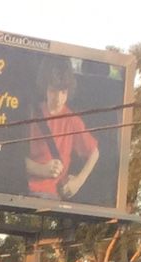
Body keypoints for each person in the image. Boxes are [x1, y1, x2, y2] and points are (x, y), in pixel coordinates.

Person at [24, 55, 100, 202]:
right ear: (45, 87)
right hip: (20, 190)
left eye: (63, 92)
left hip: (51, 196)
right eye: (53, 91)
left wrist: (78, 182)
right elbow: (12, 157)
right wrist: (41, 169)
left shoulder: (72, 120)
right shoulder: (30, 113)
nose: (58, 98)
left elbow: (94, 152)